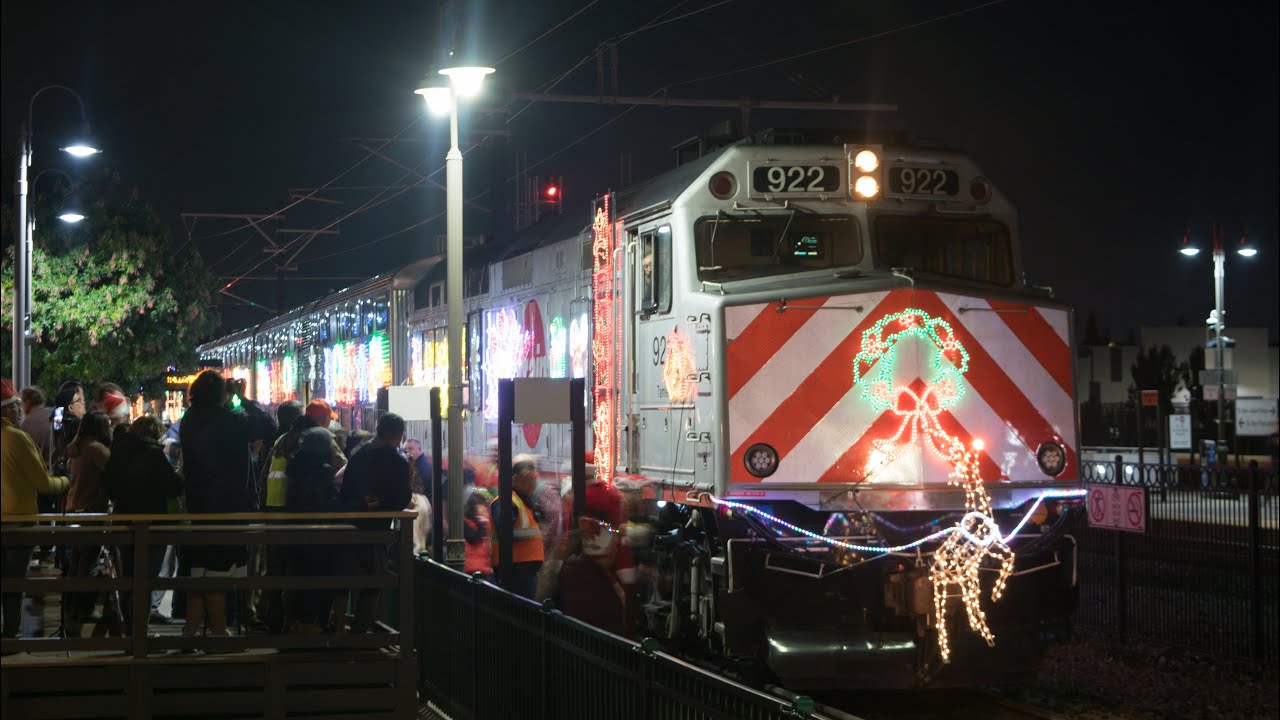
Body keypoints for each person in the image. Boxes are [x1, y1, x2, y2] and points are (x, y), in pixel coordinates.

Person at [178, 370, 256, 642]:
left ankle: (190, 632)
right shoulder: (227, 421)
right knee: (218, 573)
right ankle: (219, 633)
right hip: (226, 506)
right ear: (220, 393)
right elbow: (265, 425)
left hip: (198, 504)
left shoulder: (189, 419)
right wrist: (242, 398)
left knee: (200, 572)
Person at [2, 379, 70, 639]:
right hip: (18, 522)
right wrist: (65, 480)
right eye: (16, 406)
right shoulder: (17, 438)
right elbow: (43, 483)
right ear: (7, 409)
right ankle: (11, 636)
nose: (20, 411)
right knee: (14, 583)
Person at [103, 415, 183, 632]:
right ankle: (140, 633)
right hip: (151, 526)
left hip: (123, 522)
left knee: (128, 580)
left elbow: (109, 488)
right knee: (146, 581)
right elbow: (173, 488)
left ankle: (130, 631)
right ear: (154, 434)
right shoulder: (154, 455)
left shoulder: (117, 453)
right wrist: (179, 474)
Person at [338, 412, 410, 632]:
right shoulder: (397, 461)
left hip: (348, 527)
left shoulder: (359, 453)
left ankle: (339, 626)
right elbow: (401, 499)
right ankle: (361, 630)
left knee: (343, 577)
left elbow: (345, 490)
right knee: (375, 578)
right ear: (399, 435)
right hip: (377, 530)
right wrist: (382, 504)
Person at [284, 426, 344, 632]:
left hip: (295, 532)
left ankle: (296, 623)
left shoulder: (294, 467)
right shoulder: (323, 470)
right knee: (317, 577)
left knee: (299, 578)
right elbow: (325, 502)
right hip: (317, 534)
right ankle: (310, 626)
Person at [64, 412, 114, 632]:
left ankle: (72, 605)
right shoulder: (97, 450)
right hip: (91, 511)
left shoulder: (77, 448)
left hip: (73, 509)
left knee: (77, 561)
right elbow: (114, 473)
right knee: (89, 562)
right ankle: (85, 608)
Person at [489, 455, 545, 598]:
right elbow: (506, 532)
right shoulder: (507, 501)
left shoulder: (522, 500)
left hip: (525, 570)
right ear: (516, 478)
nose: (534, 483)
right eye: (530, 479)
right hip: (515, 571)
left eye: (534, 479)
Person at [405, 438, 433, 554]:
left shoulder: (424, 467)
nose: (408, 452)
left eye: (410, 448)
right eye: (405, 449)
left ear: (420, 449)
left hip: (422, 506)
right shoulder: (419, 464)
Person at [462, 489, 493, 579]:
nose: (485, 510)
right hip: (480, 569)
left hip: (471, 568)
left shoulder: (466, 523)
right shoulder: (485, 524)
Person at [19, 386, 53, 466]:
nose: (21, 408)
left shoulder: (25, 423)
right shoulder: (53, 412)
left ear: (27, 403)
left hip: (39, 467)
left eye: (21, 404)